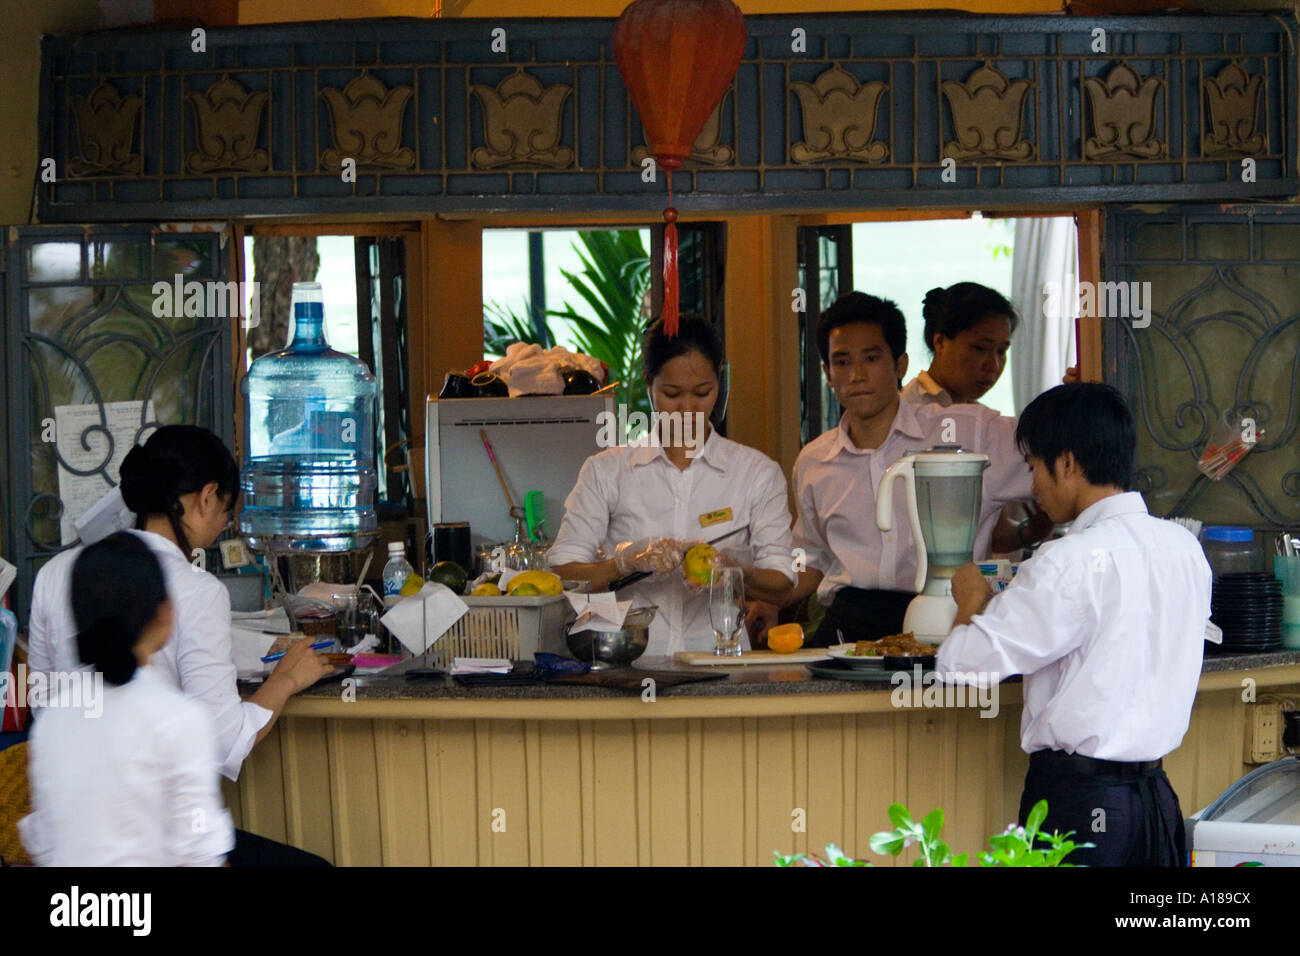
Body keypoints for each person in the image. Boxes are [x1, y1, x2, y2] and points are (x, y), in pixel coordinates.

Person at [26, 425, 333, 866]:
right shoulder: (195, 594)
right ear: (207, 496)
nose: (225, 522)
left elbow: (43, 701)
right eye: (226, 509)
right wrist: (285, 680)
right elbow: (222, 742)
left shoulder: (55, 573)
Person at [937, 383, 1212, 866]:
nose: (1033, 487)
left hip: (1080, 807)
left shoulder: (1069, 559)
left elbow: (963, 669)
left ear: (1066, 464)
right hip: (1157, 802)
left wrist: (971, 600)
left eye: (1032, 467)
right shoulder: (1185, 548)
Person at [751, 291, 1034, 646]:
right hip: (848, 628)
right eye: (841, 362)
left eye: (871, 358)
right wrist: (764, 592)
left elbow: (1056, 460)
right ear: (827, 373)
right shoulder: (814, 460)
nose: (856, 375)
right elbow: (812, 556)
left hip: (944, 618)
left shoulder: (969, 431)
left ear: (898, 365)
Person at [548, 313, 796, 656]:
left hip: (720, 666)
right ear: (649, 383)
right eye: (672, 394)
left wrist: (734, 570)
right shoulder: (606, 471)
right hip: (630, 666)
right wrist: (625, 563)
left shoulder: (756, 473)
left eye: (702, 392)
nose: (688, 409)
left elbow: (782, 585)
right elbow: (562, 575)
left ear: (720, 381)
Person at [21, 533, 235, 866]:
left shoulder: (52, 721)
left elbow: (45, 843)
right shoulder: (178, 720)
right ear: (164, 613)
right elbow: (200, 851)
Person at [902, 282, 1054, 555]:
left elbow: (987, 531)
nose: (993, 365)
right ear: (940, 342)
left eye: (1001, 351)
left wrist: (1029, 531)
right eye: (980, 349)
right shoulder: (907, 411)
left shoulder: (987, 424)